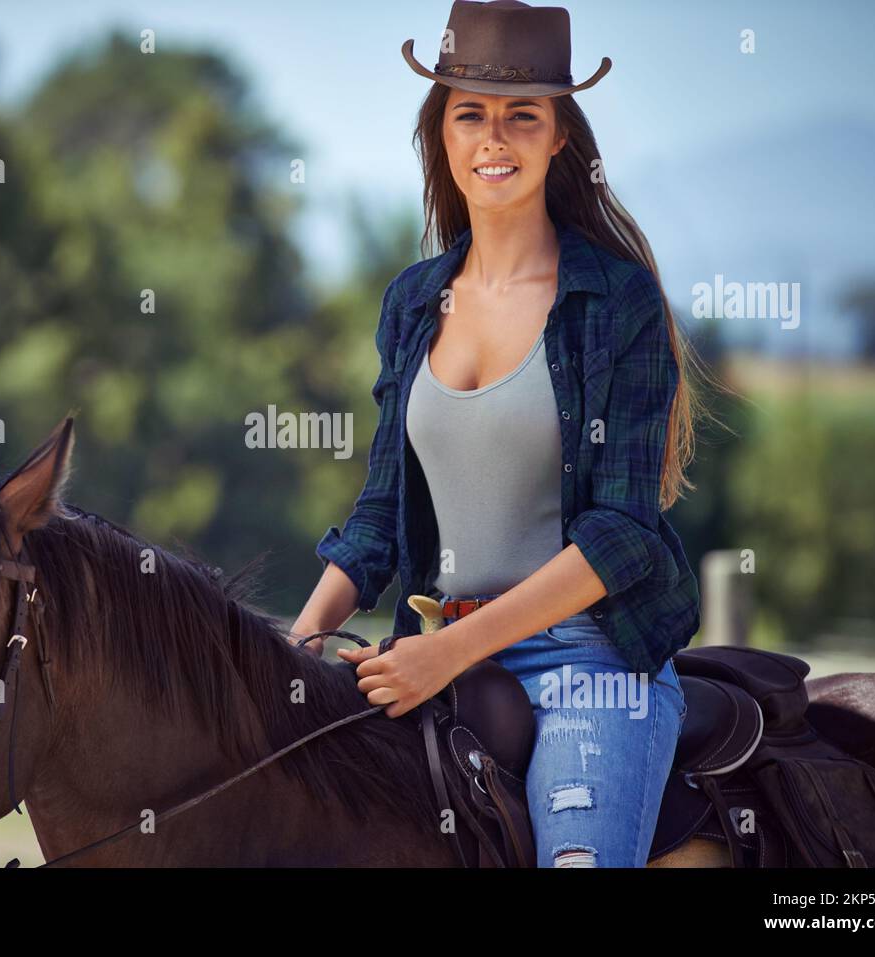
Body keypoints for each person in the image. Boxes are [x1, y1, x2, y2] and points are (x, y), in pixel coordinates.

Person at [289, 0, 708, 867]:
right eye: (470, 114)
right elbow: (379, 511)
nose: (495, 138)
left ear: (559, 137)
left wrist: (450, 652)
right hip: (428, 645)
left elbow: (624, 536)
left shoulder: (617, 301)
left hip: (588, 663)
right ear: (440, 134)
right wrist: (293, 648)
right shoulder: (413, 301)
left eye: (524, 116)